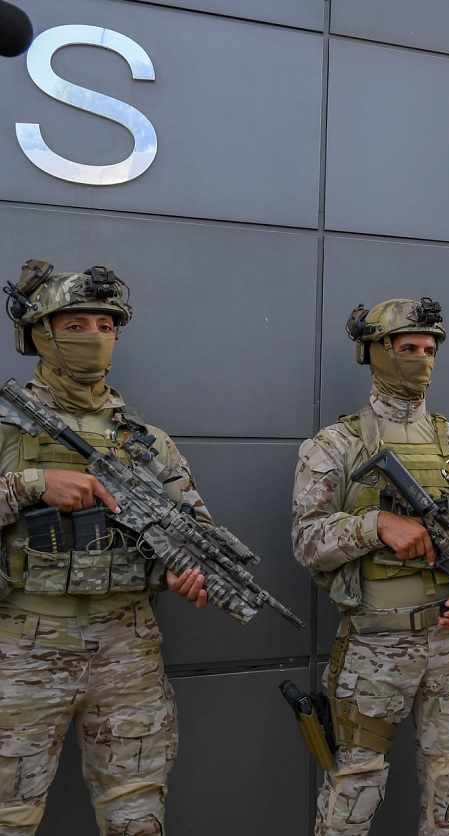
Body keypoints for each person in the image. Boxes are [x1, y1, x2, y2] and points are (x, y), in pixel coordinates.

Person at [292, 297, 449, 836]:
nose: (422, 359)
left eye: (430, 349)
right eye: (408, 348)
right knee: (352, 790)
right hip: (375, 646)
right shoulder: (337, 445)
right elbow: (306, 542)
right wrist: (374, 526)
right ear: (374, 352)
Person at [0, 260, 209, 835]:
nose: (94, 337)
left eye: (105, 325)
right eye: (75, 326)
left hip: (127, 652)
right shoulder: (5, 425)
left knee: (137, 814)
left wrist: (181, 571)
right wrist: (32, 484)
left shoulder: (146, 442)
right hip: (22, 647)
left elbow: (192, 526)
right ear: (39, 334)